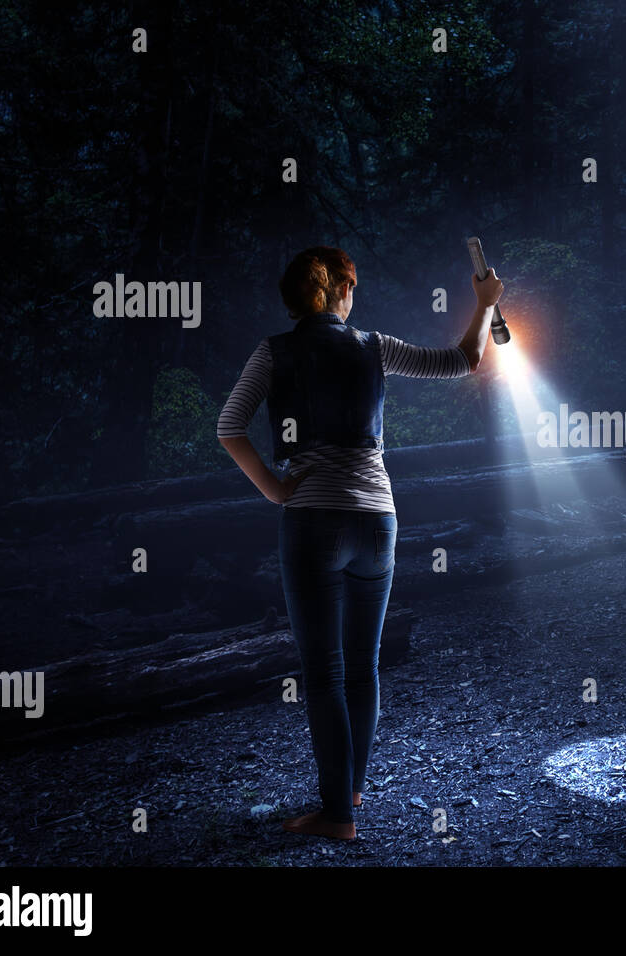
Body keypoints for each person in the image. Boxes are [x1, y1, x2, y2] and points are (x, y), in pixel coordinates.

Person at [216, 246, 504, 839]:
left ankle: (338, 815)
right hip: (379, 520)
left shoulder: (273, 352)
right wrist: (483, 305)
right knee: (362, 668)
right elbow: (465, 360)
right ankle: (348, 793)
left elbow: (229, 427)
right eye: (352, 287)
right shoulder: (375, 346)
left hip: (313, 519)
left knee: (322, 673)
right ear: (340, 291)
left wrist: (274, 489)